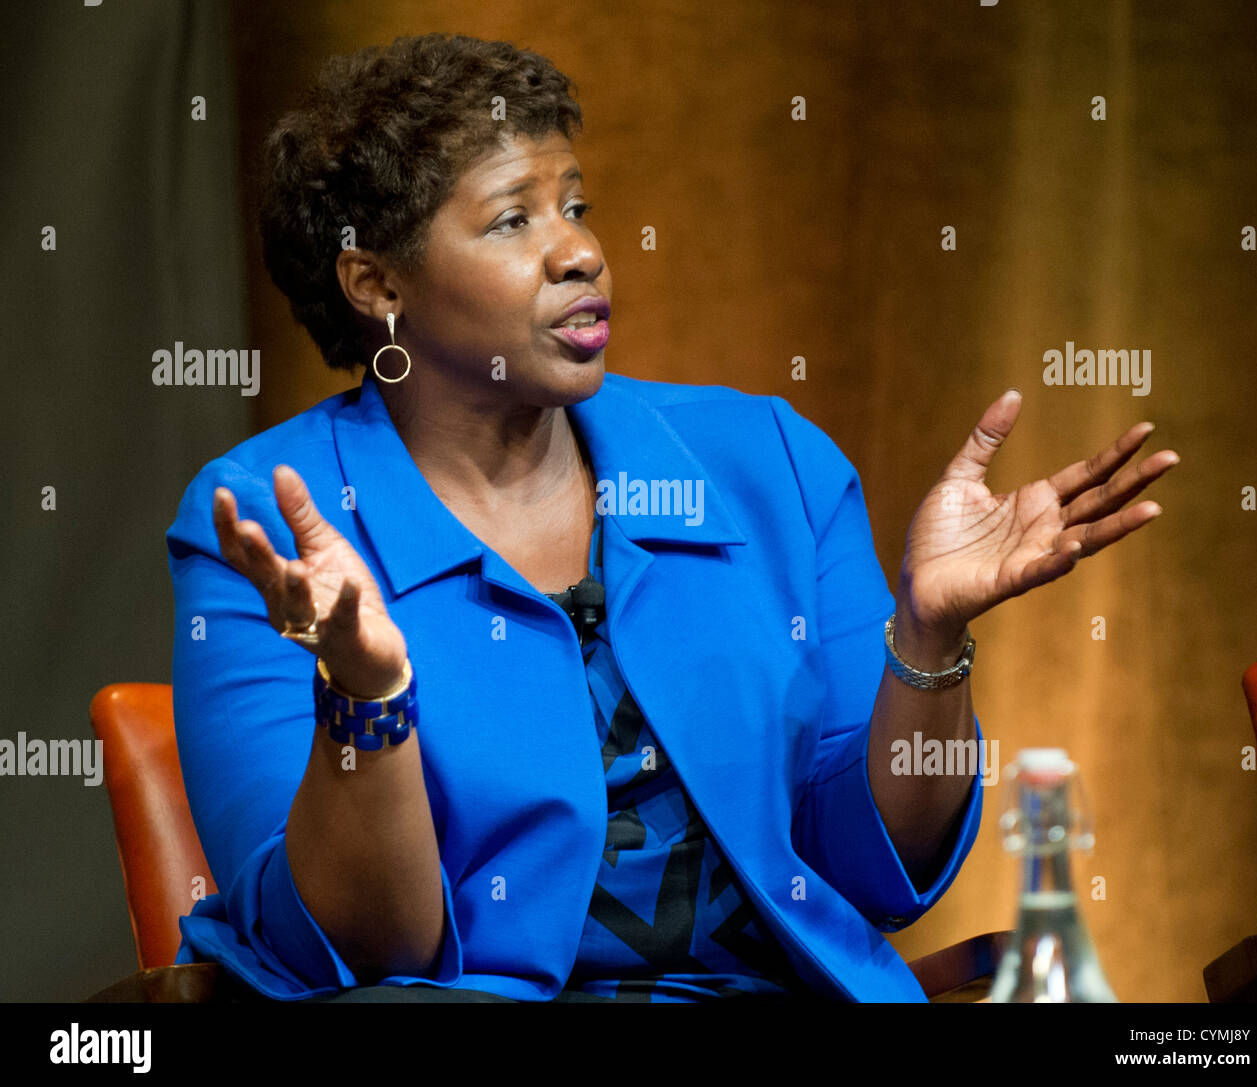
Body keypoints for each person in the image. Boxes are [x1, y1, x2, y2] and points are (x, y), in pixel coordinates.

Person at [165, 33, 1179, 1003]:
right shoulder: (265, 522)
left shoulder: (764, 462)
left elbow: (873, 867)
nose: (581, 253)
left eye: (576, 204)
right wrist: (366, 692)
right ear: (377, 283)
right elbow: (360, 951)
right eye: (514, 220)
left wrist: (929, 635)